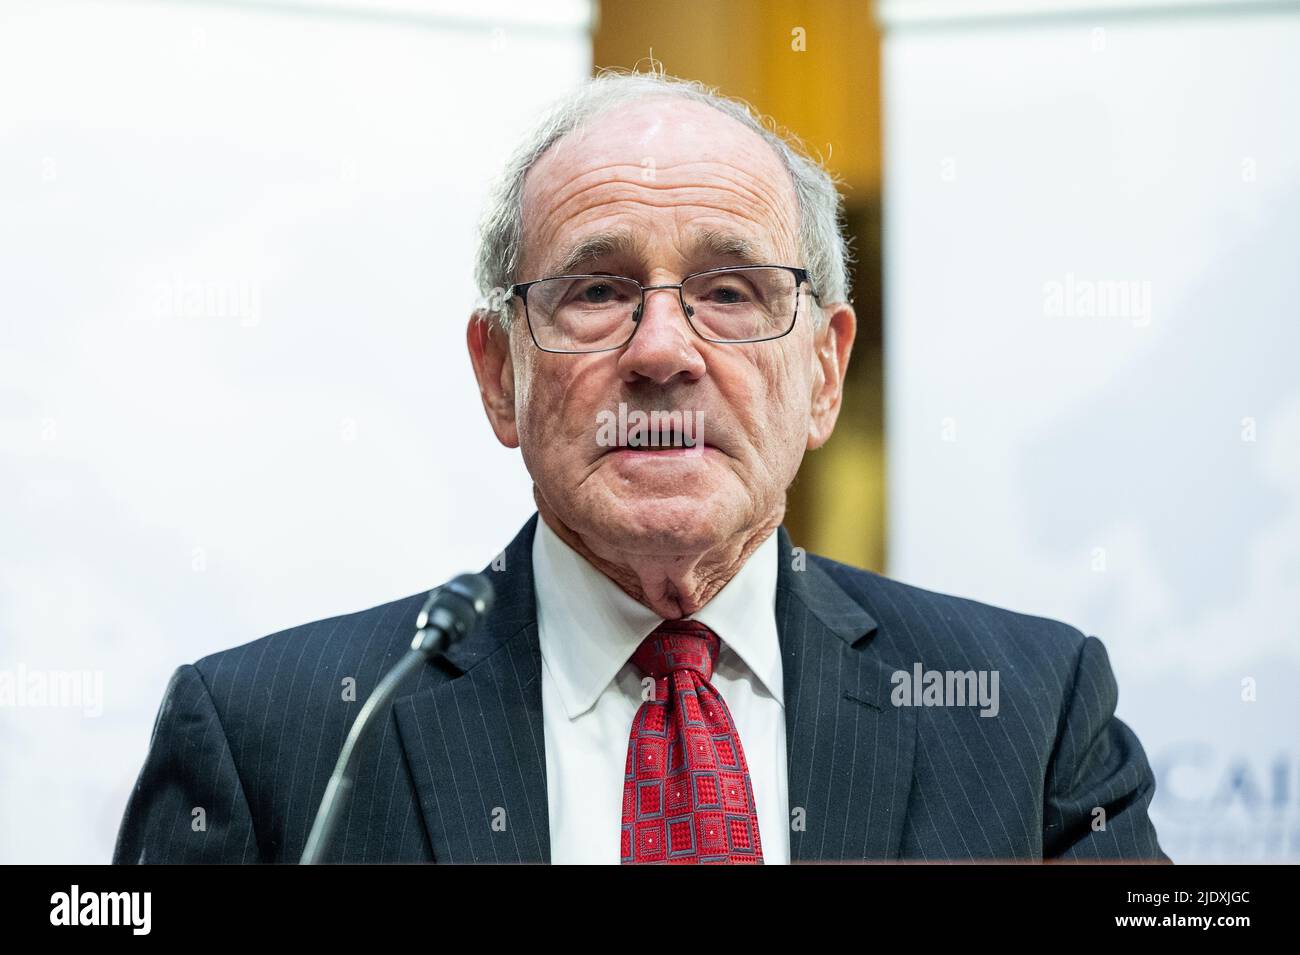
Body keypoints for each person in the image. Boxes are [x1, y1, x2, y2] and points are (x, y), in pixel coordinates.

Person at [114, 69, 1167, 864]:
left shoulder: (1030, 714)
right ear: (499, 376)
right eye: (597, 290)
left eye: (731, 290)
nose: (662, 349)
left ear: (823, 374)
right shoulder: (270, 740)